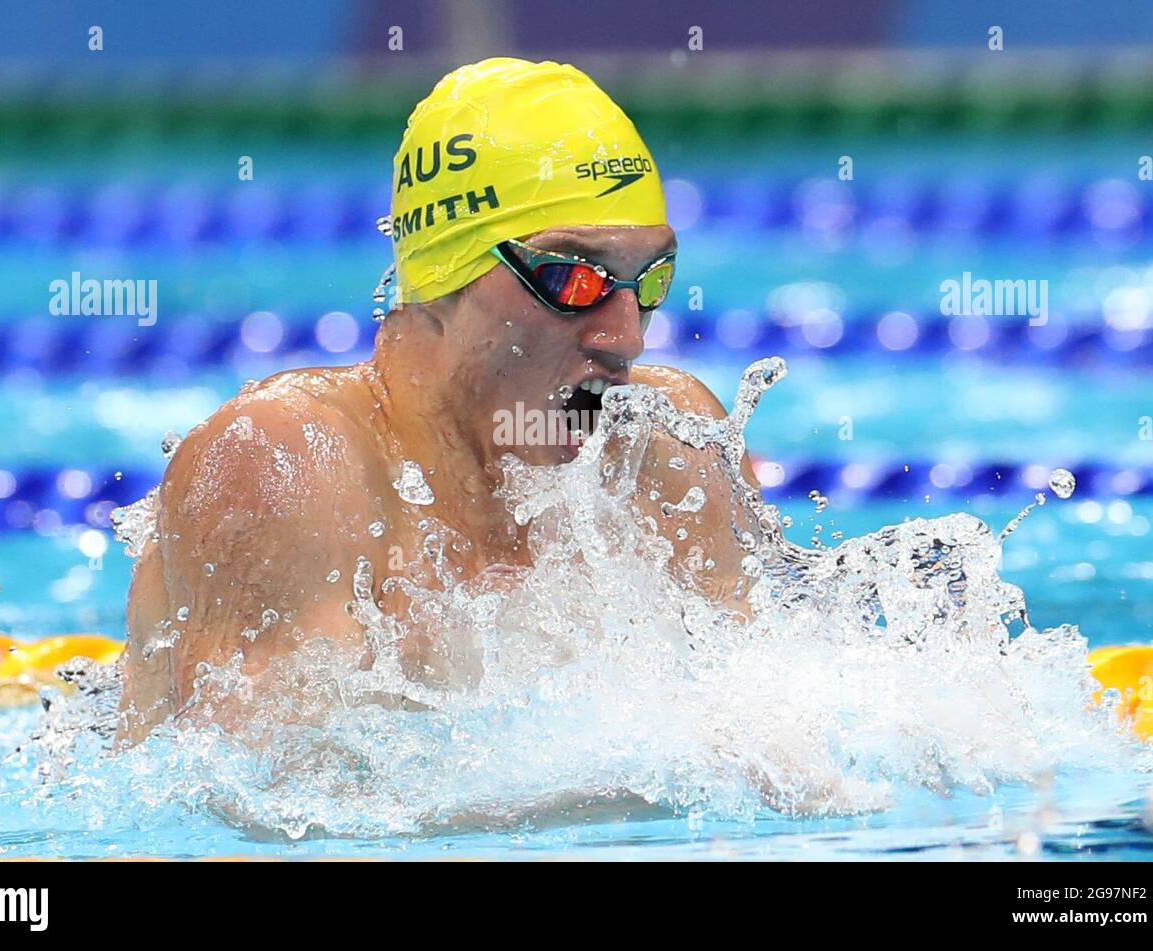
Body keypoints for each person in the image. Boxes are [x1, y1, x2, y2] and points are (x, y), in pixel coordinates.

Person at [117, 57, 758, 744]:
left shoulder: (667, 455)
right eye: (574, 280)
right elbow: (267, 809)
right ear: (443, 281)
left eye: (650, 280)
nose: (625, 337)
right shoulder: (292, 464)